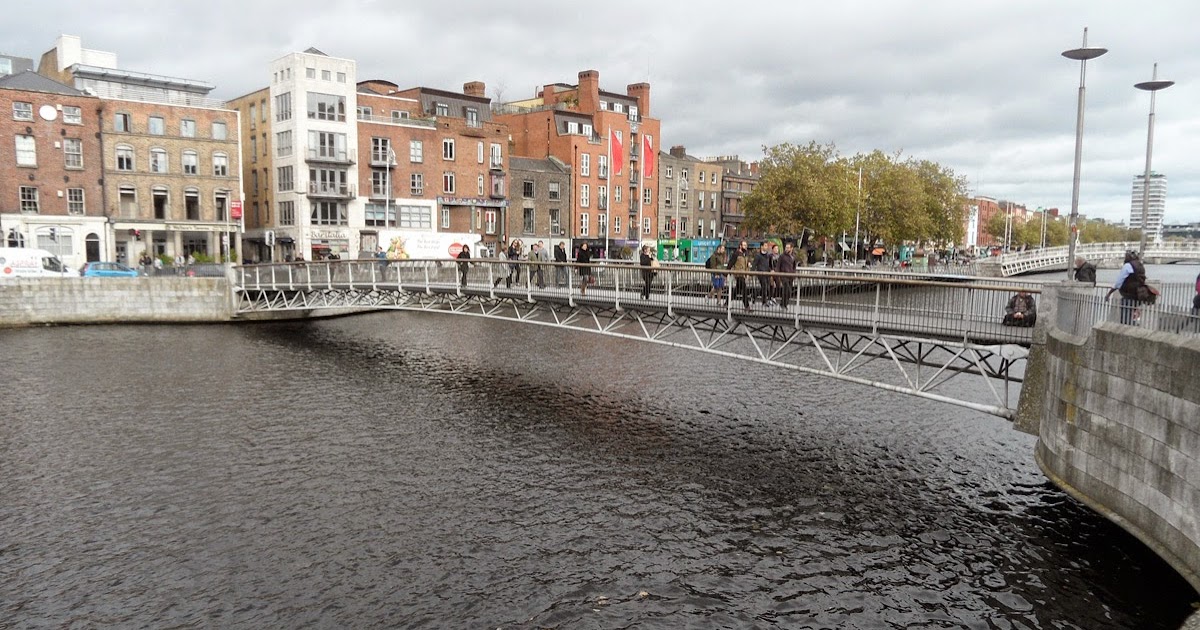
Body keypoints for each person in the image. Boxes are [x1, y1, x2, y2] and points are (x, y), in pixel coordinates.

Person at [1105, 250, 1146, 325]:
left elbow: (1118, 282)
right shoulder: (1140, 266)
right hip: (1138, 294)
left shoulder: (1128, 266)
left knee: (1125, 317)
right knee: (1132, 314)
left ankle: (1126, 329)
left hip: (1128, 294)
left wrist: (1109, 293)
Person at [727, 240, 751, 310]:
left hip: (743, 274)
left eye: (746, 245)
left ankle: (727, 302)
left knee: (737, 290)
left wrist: (748, 272)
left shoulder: (746, 254)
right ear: (740, 246)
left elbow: (746, 264)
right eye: (744, 245)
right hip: (738, 274)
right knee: (744, 290)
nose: (745, 247)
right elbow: (730, 263)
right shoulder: (736, 254)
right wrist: (726, 273)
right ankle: (747, 306)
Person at [776, 241, 798, 309]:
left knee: (789, 291)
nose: (787, 249)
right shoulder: (782, 256)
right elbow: (778, 266)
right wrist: (778, 275)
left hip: (790, 276)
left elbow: (794, 266)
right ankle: (783, 304)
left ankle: (784, 303)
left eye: (788, 248)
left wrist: (794, 273)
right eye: (786, 247)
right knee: (786, 289)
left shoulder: (793, 256)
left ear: (791, 248)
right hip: (784, 275)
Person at [752, 242, 773, 306]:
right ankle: (764, 302)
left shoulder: (768, 256)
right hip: (761, 273)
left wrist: (771, 270)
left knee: (767, 287)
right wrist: (751, 272)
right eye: (765, 246)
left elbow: (770, 265)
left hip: (767, 273)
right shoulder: (758, 255)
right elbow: (754, 264)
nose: (767, 247)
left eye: (767, 246)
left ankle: (754, 296)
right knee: (764, 286)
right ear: (761, 246)